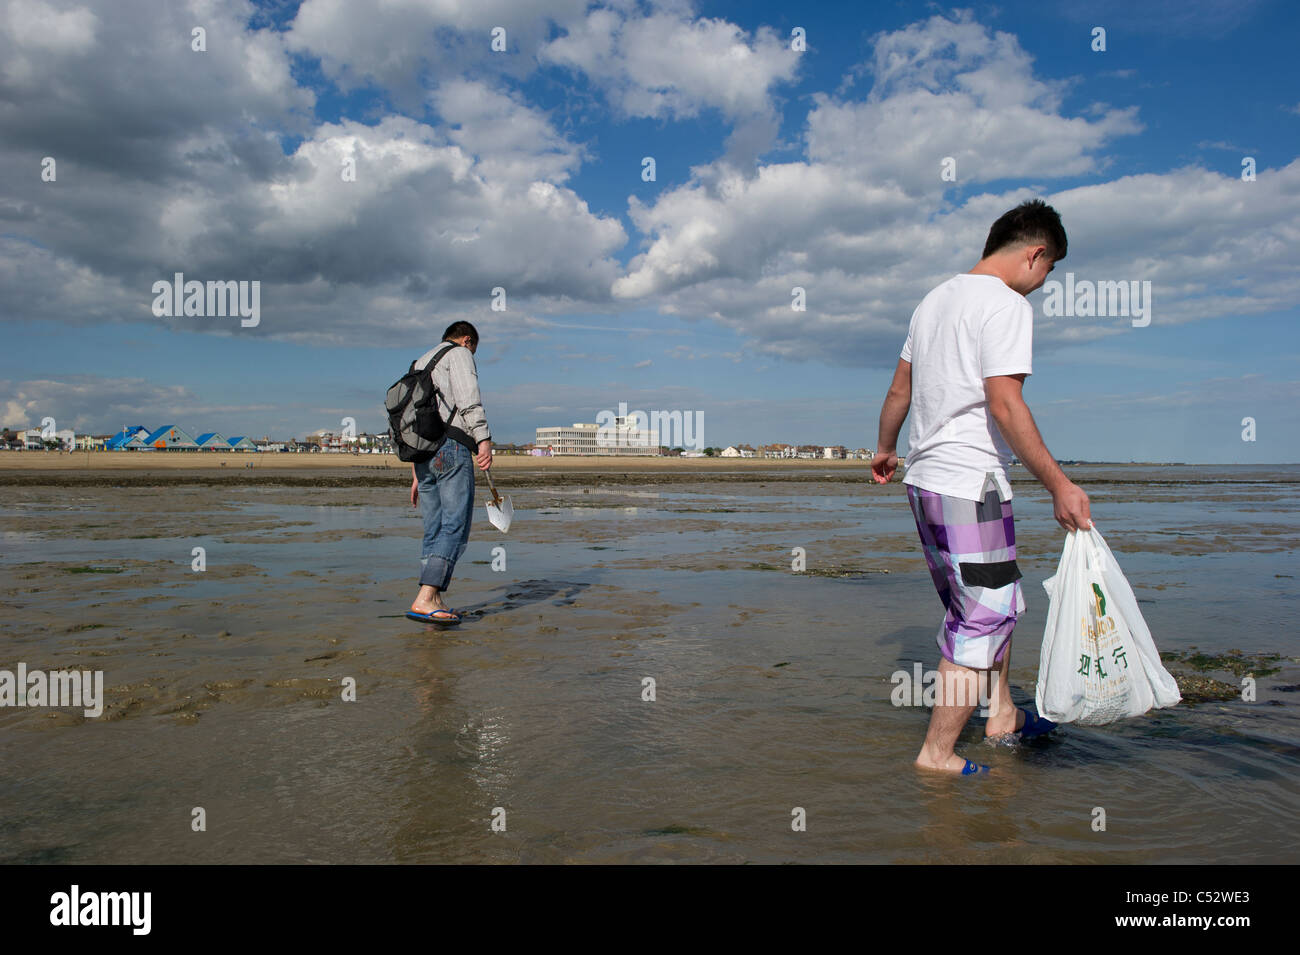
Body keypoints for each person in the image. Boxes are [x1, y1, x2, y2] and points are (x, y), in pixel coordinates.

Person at [871, 199, 1092, 775]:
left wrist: (886, 448)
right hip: (972, 484)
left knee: (990, 601)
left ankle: (1000, 714)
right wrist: (1060, 484)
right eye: (1048, 271)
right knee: (983, 616)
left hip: (925, 483)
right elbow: (1005, 402)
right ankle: (937, 754)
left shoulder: (932, 301)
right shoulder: (1006, 304)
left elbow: (899, 391)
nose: (1043, 285)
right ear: (1034, 253)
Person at [407, 321, 493, 624]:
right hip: (451, 447)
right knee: (455, 525)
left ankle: (434, 599)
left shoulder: (421, 362)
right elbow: (469, 399)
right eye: (474, 350)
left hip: (423, 453)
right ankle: (425, 597)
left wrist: (417, 472)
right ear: (467, 340)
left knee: (434, 529)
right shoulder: (459, 355)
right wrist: (483, 439)